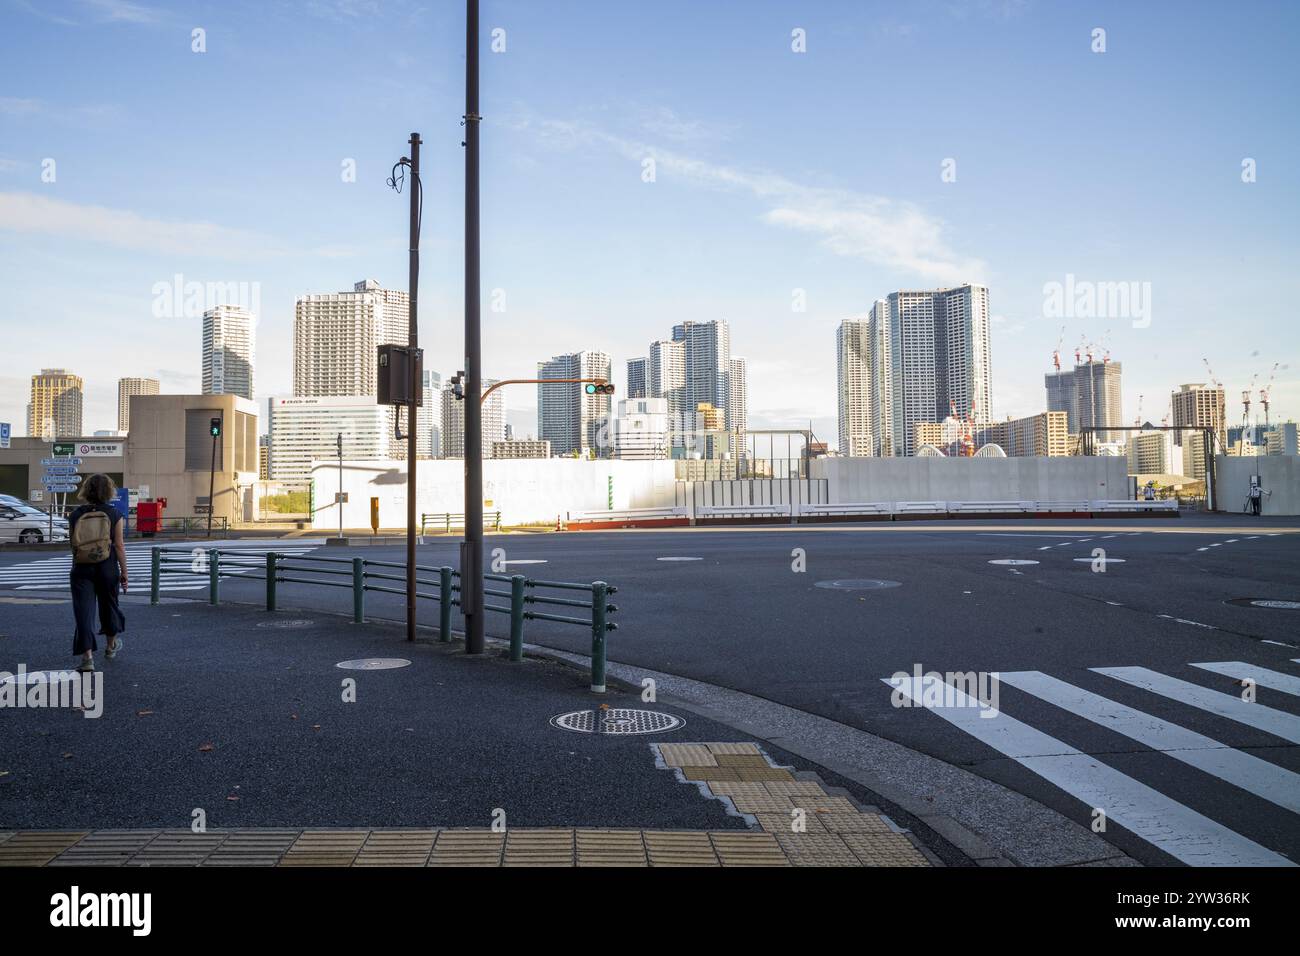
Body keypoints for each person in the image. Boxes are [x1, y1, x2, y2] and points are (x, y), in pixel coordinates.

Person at [68, 474, 127, 672]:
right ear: (109, 491)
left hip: (82, 568)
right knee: (109, 606)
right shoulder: (114, 514)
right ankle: (110, 647)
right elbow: (119, 545)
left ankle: (87, 659)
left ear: (86, 490)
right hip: (107, 567)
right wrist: (124, 572)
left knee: (83, 612)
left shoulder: (76, 514)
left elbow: (74, 544)